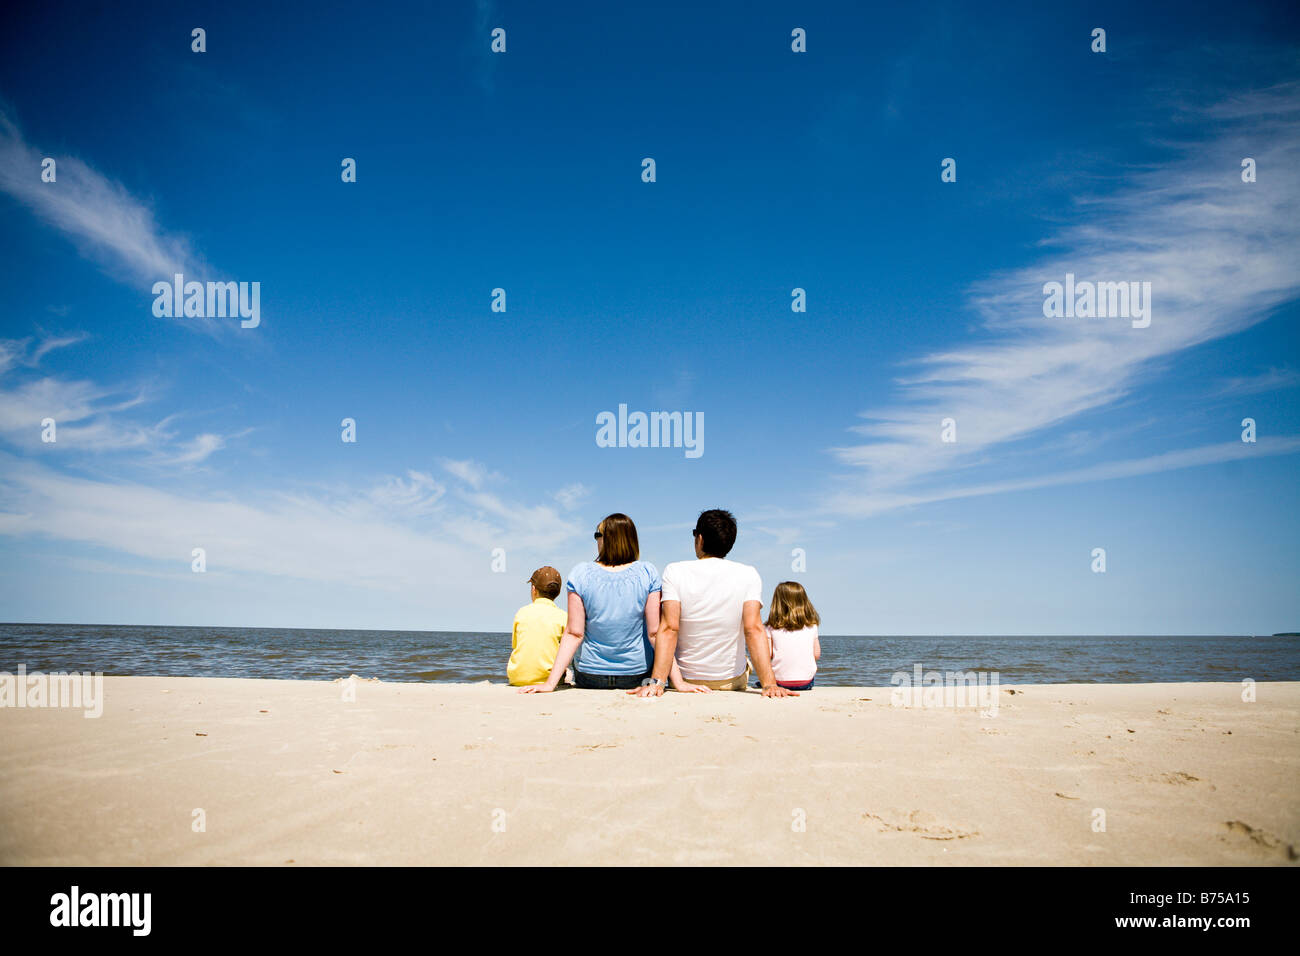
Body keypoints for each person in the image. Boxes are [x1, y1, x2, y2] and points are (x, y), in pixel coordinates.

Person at [632, 508, 796, 698]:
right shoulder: (748, 574)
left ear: (699, 538)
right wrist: (769, 685)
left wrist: (657, 682)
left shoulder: (674, 571)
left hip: (687, 681)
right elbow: (753, 629)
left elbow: (669, 628)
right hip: (731, 681)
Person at [519, 513, 660, 692]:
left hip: (591, 676)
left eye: (597, 535)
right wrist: (676, 681)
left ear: (608, 539)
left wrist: (550, 684)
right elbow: (655, 633)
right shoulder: (648, 572)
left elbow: (574, 633)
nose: (596, 540)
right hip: (636, 675)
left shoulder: (580, 573)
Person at [506, 566, 568, 686]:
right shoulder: (563, 616)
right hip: (548, 680)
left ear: (534, 589)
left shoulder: (521, 612)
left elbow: (515, 645)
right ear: (558, 592)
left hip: (517, 678)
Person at [762, 581, 821, 691]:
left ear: (777, 603)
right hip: (806, 682)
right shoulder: (812, 626)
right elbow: (816, 654)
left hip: (779, 682)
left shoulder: (770, 627)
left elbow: (767, 654)